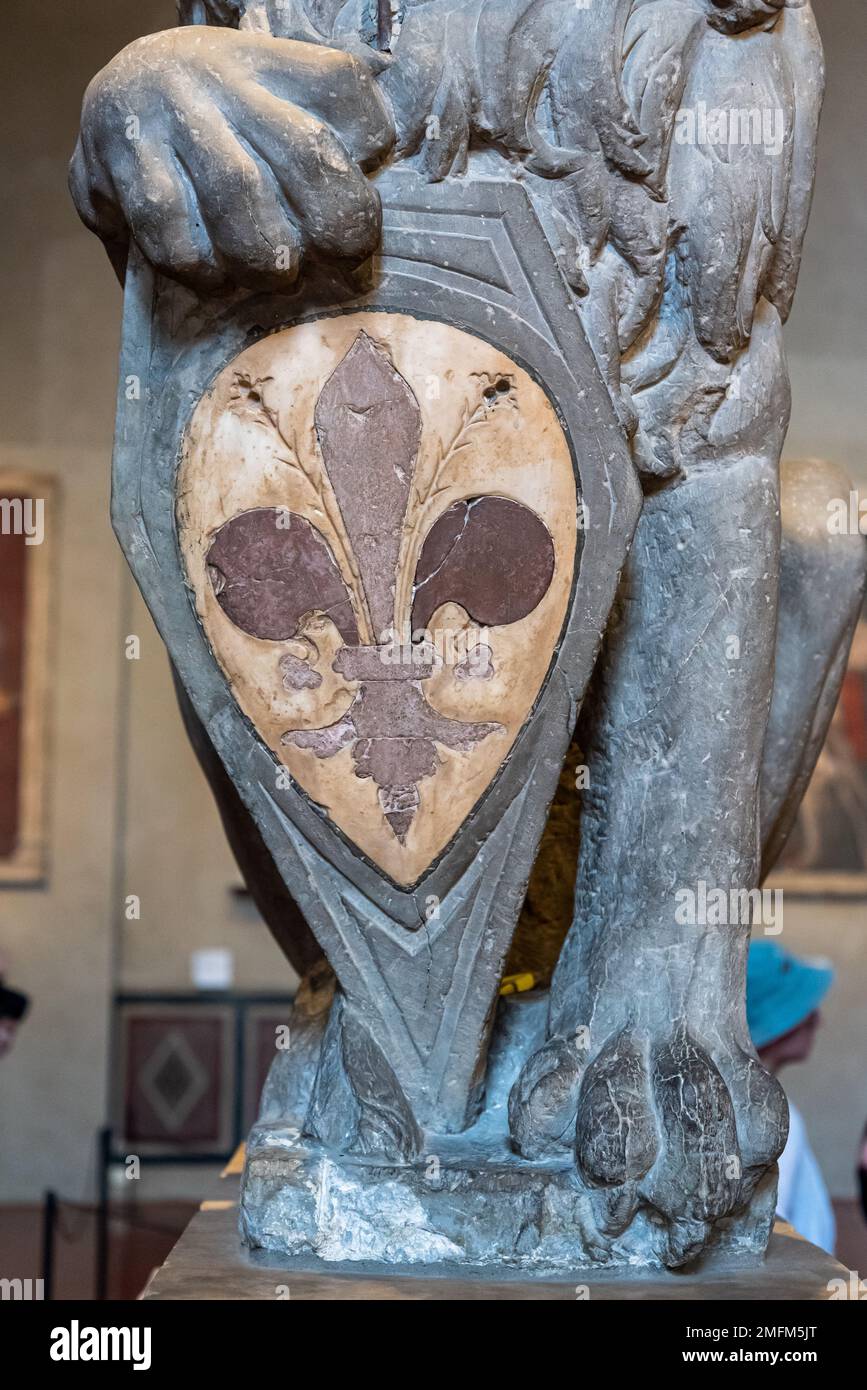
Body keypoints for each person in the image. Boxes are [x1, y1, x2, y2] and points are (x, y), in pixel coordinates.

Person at [747, 940, 836, 1254]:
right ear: (780, 1026)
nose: (819, 1022)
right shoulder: (773, 1118)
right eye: (807, 1014)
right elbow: (763, 1240)